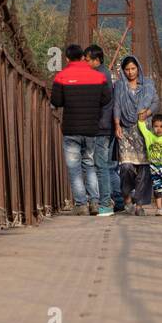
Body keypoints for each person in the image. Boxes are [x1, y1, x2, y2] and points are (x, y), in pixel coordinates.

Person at [50, 43, 109, 214]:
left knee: (74, 168)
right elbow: (105, 99)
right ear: (83, 57)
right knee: (89, 164)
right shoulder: (98, 76)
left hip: (71, 129)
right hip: (91, 129)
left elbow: (57, 101)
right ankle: (95, 203)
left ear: (67, 58)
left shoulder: (61, 76)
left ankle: (81, 204)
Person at [113, 54, 158, 216]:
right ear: (123, 71)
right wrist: (117, 124)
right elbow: (117, 105)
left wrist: (148, 112)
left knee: (143, 168)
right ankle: (127, 197)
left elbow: (155, 102)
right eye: (127, 69)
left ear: (138, 68)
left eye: (133, 68)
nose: (130, 72)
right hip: (125, 130)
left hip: (143, 130)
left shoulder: (148, 85)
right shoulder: (119, 85)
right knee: (126, 166)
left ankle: (139, 204)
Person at [84, 44, 115, 218]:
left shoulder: (99, 75)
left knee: (100, 166)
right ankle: (101, 201)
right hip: (101, 125)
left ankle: (104, 204)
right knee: (99, 165)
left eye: (87, 59)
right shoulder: (104, 74)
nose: (85, 62)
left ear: (97, 60)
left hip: (100, 127)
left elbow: (97, 101)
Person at [139, 113, 162, 215]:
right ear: (152, 127)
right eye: (156, 126)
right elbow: (142, 127)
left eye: (161, 126)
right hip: (154, 167)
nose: (158, 129)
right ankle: (159, 209)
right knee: (157, 188)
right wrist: (141, 118)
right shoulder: (149, 137)